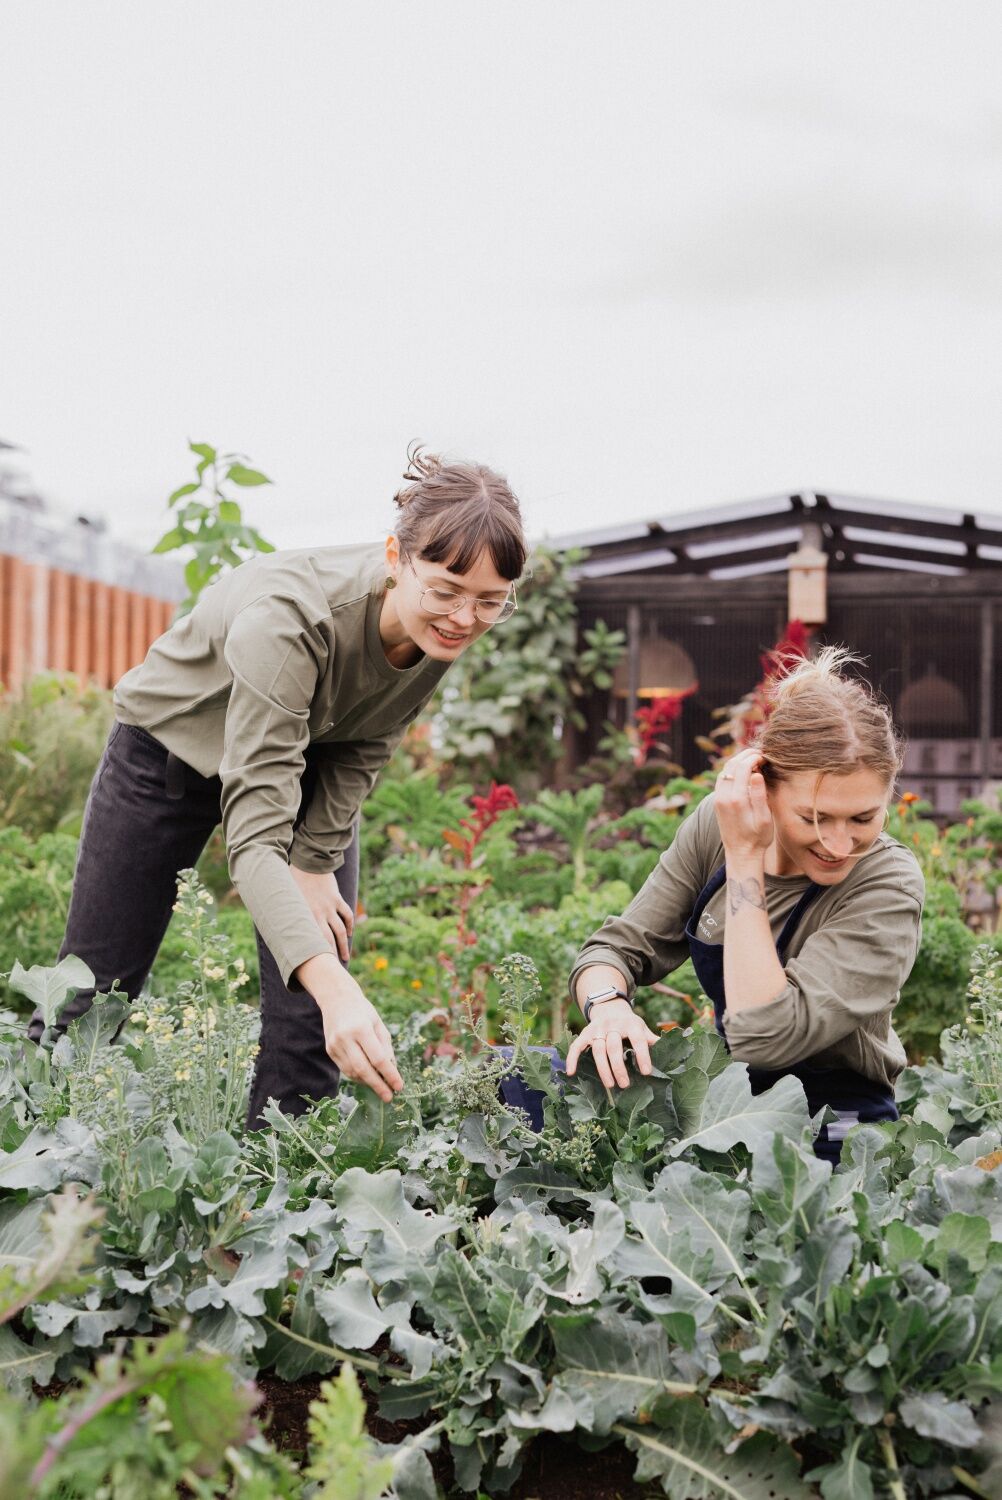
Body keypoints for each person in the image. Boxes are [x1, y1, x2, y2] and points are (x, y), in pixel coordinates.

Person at [31, 445, 527, 1128]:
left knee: (308, 1029)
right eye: (447, 592)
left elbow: (369, 737)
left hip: (309, 756)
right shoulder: (291, 619)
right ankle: (35, 1149)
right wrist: (335, 983)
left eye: (490, 602)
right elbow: (254, 843)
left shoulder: (439, 621)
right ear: (396, 558)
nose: (465, 619)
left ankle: (280, 1184)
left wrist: (316, 860)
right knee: (94, 992)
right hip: (169, 753)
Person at [565, 648, 925, 1164]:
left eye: (863, 819)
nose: (840, 844)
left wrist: (745, 858)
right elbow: (613, 950)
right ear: (764, 791)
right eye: (815, 818)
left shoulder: (886, 884)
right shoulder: (716, 826)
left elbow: (765, 1036)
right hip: (727, 1099)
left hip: (839, 1118)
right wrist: (607, 1007)